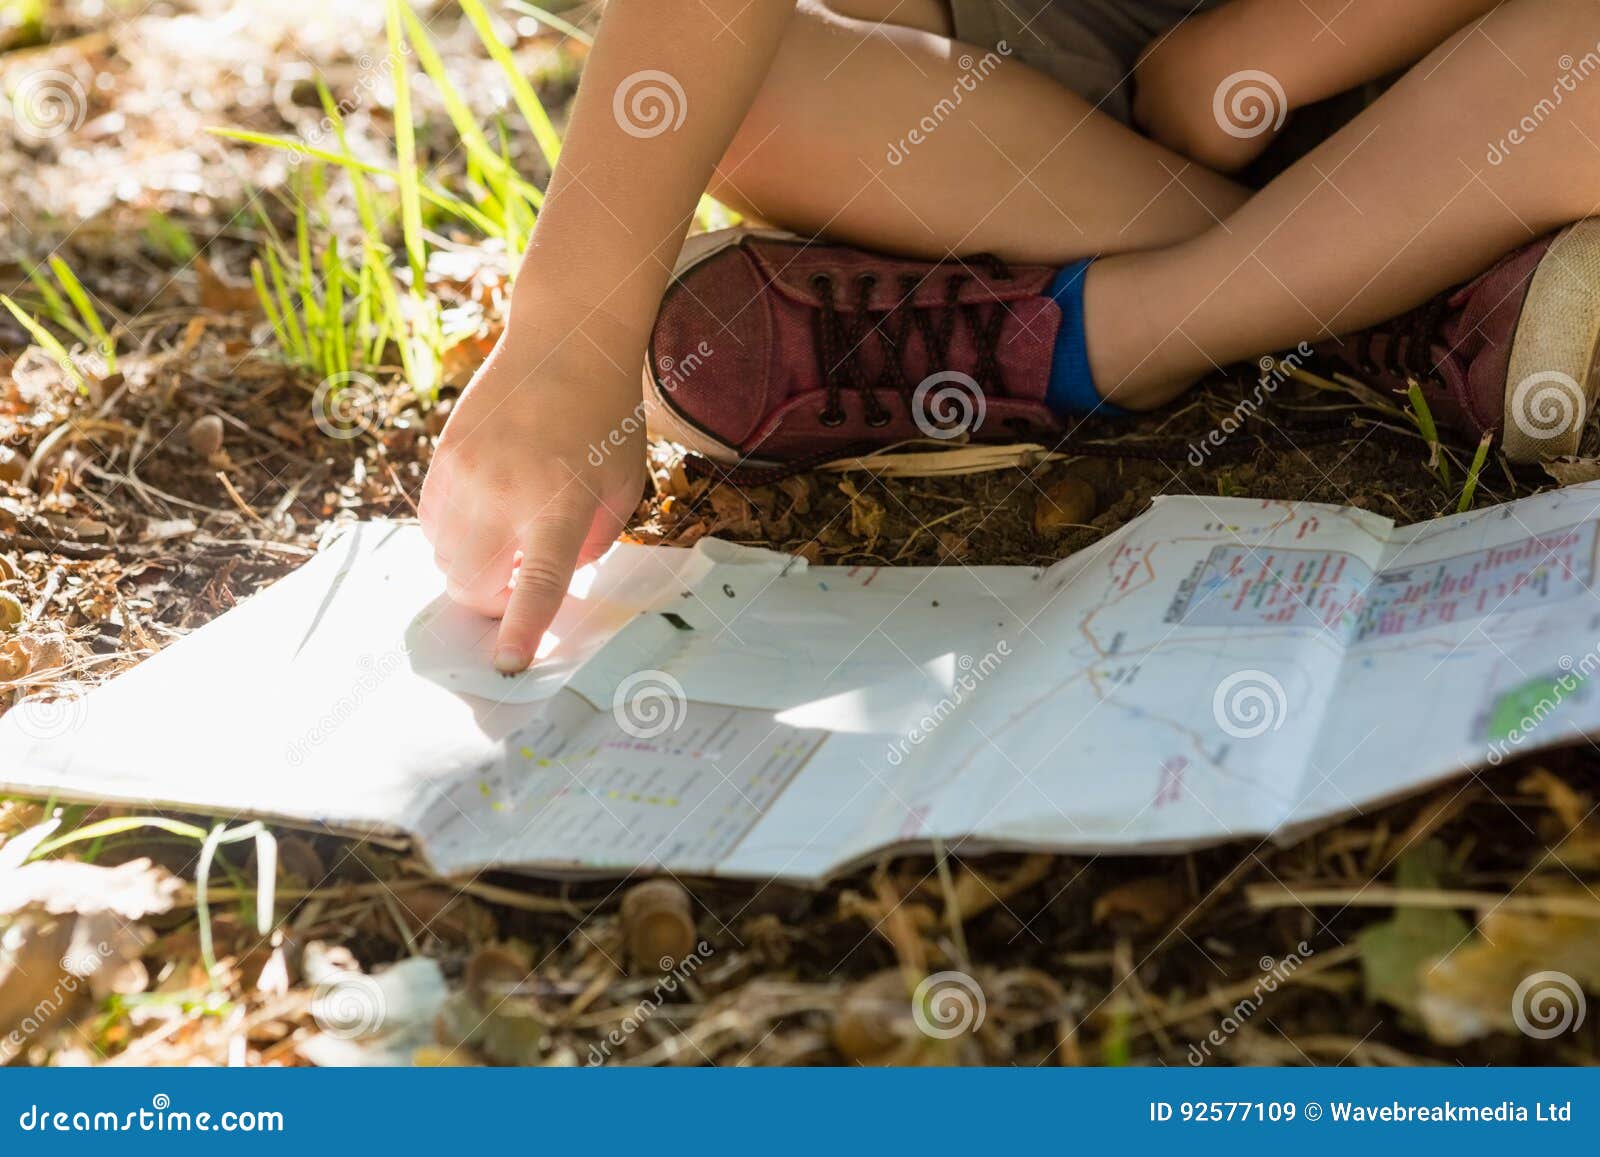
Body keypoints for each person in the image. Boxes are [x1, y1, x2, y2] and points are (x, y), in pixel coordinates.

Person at [418, 0, 1600, 674]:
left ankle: (1118, 327)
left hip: (1475, 53)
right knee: (745, 98)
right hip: (1104, 93)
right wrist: (565, 338)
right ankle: (1418, 290)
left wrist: (1281, 48)